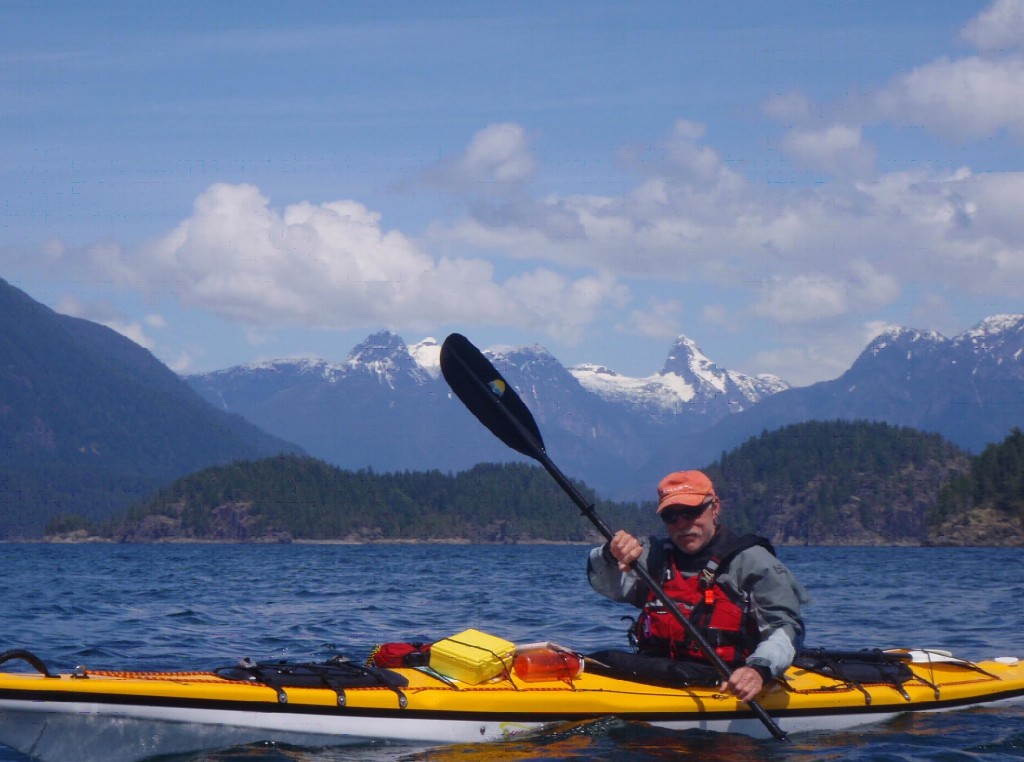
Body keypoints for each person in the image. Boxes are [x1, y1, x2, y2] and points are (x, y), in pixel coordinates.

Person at [587, 469, 809, 702]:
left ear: (715, 508)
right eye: (671, 516)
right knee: (602, 659)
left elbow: (786, 629)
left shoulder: (753, 562)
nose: (682, 524)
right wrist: (610, 553)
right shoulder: (653, 557)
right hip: (656, 675)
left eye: (691, 512)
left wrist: (758, 670)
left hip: (726, 680)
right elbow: (608, 584)